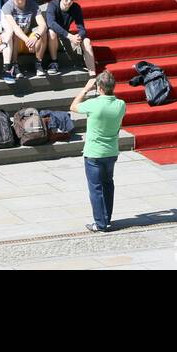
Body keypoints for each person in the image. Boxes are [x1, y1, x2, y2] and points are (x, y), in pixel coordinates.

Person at [71, 70, 126, 233]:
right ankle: (106, 218)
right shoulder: (121, 104)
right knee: (108, 184)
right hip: (111, 151)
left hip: (94, 152)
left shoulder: (93, 104)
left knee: (95, 188)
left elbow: (73, 106)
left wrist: (85, 89)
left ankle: (100, 223)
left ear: (99, 87)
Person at [47, 0, 96, 76]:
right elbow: (51, 23)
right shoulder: (52, 5)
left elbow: (82, 28)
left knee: (87, 41)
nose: (69, 1)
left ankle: (92, 74)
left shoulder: (76, 7)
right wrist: (70, 36)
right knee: (51, 32)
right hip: (51, 38)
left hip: (65, 37)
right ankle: (54, 62)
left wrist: (79, 36)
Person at [2, 0, 47, 77]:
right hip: (16, 39)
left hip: (29, 38)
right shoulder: (8, 6)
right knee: (14, 33)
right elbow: (14, 27)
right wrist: (28, 41)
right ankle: (15, 65)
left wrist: (35, 37)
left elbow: (43, 25)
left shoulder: (32, 5)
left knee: (43, 32)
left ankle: (38, 63)